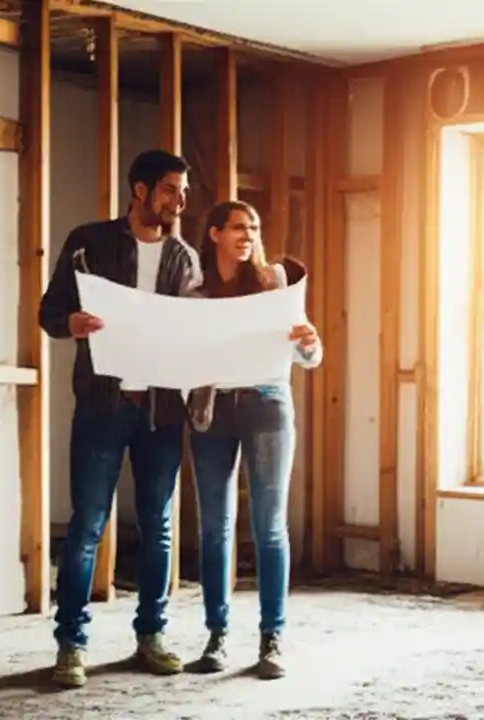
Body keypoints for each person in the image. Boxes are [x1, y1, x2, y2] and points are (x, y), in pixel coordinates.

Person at [39, 149, 202, 688]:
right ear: (140, 190)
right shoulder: (89, 242)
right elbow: (48, 312)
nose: (179, 201)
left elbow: (192, 331)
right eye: (170, 190)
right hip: (102, 407)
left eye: (183, 192)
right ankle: (71, 645)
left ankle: (151, 636)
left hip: (162, 412)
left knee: (158, 528)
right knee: (87, 525)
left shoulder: (184, 258)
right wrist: (71, 323)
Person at [182, 200, 322, 680]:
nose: (248, 235)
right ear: (215, 233)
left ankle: (271, 639)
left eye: (255, 228)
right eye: (239, 227)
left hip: (266, 403)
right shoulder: (195, 294)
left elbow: (308, 356)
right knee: (214, 528)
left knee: (269, 526)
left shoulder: (275, 284)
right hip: (212, 407)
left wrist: (309, 342)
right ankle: (216, 637)